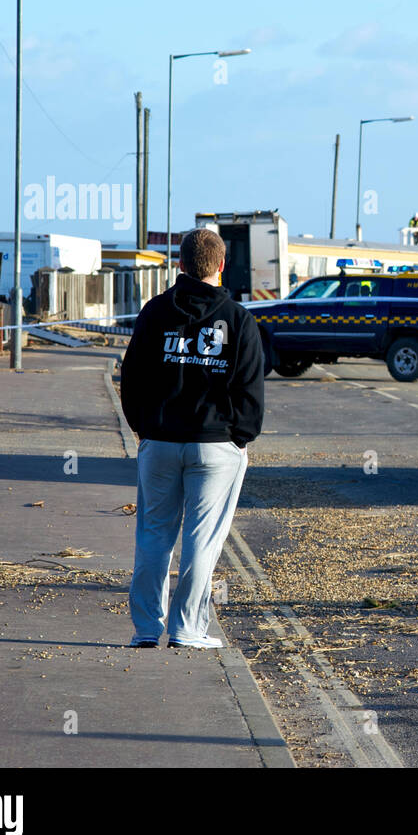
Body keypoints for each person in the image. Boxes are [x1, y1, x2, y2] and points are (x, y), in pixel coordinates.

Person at [120, 228, 264, 649]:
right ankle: (187, 629)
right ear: (221, 266)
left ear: (179, 264)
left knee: (152, 536)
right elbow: (251, 394)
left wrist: (143, 427)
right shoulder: (239, 320)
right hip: (216, 445)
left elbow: (132, 378)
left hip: (160, 442)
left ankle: (146, 629)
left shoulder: (154, 312)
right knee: (203, 539)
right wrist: (239, 436)